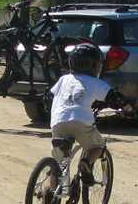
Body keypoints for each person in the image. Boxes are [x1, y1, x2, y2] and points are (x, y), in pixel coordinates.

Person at [47, 43, 127, 196]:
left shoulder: (63, 79)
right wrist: (126, 106)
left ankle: (51, 193)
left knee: (60, 161)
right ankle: (87, 163)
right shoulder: (95, 82)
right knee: (98, 146)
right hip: (81, 121)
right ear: (96, 66)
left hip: (57, 121)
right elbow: (114, 98)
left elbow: (49, 95)